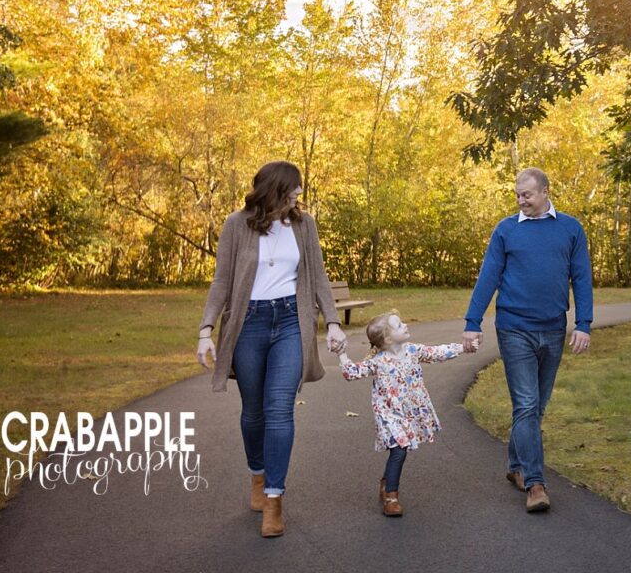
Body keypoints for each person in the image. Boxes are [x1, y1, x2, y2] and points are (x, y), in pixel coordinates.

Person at [196, 160, 347, 538]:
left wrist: (331, 322)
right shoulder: (236, 224)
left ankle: (274, 498)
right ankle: (257, 475)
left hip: (290, 323)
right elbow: (221, 281)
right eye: (294, 188)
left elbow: (319, 276)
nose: (299, 194)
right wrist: (205, 329)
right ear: (275, 190)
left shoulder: (304, 224)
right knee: (254, 413)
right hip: (249, 324)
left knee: (279, 408)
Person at [462, 167, 593, 513]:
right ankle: (536, 484)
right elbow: (488, 276)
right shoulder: (506, 231)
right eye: (518, 195)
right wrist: (472, 321)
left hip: (553, 329)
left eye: (527, 194)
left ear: (546, 191)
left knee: (537, 407)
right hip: (514, 328)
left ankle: (515, 466)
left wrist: (584, 323)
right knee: (525, 404)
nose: (521, 200)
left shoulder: (570, 229)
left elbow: (581, 277)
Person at [333, 309, 464, 516]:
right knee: (400, 448)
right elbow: (352, 373)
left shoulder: (412, 350)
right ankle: (391, 496)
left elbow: (436, 352)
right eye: (400, 325)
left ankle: (386, 482)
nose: (406, 326)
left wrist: (462, 347)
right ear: (387, 338)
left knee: (399, 449)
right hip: (389, 414)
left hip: (410, 411)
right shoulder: (378, 361)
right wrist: (341, 354)